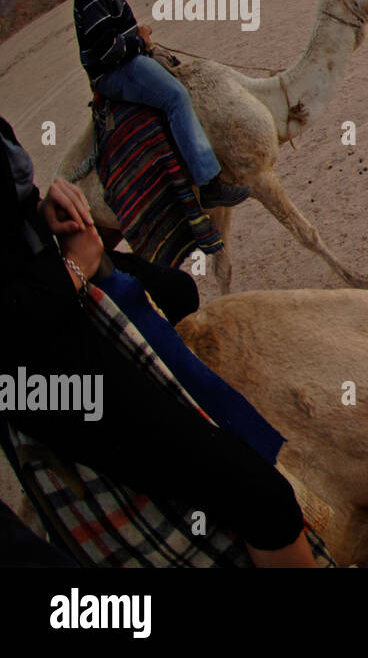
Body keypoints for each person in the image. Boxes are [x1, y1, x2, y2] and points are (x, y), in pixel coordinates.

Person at [0, 117, 314, 566]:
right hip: (32, 362)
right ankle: (203, 179)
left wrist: (37, 215)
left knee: (178, 290)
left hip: (46, 269)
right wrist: (71, 268)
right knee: (262, 496)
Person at [73, 0, 248, 208]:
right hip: (112, 71)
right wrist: (138, 39)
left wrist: (135, 34)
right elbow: (107, 50)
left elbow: (117, 25)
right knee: (176, 96)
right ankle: (207, 182)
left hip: (126, 56)